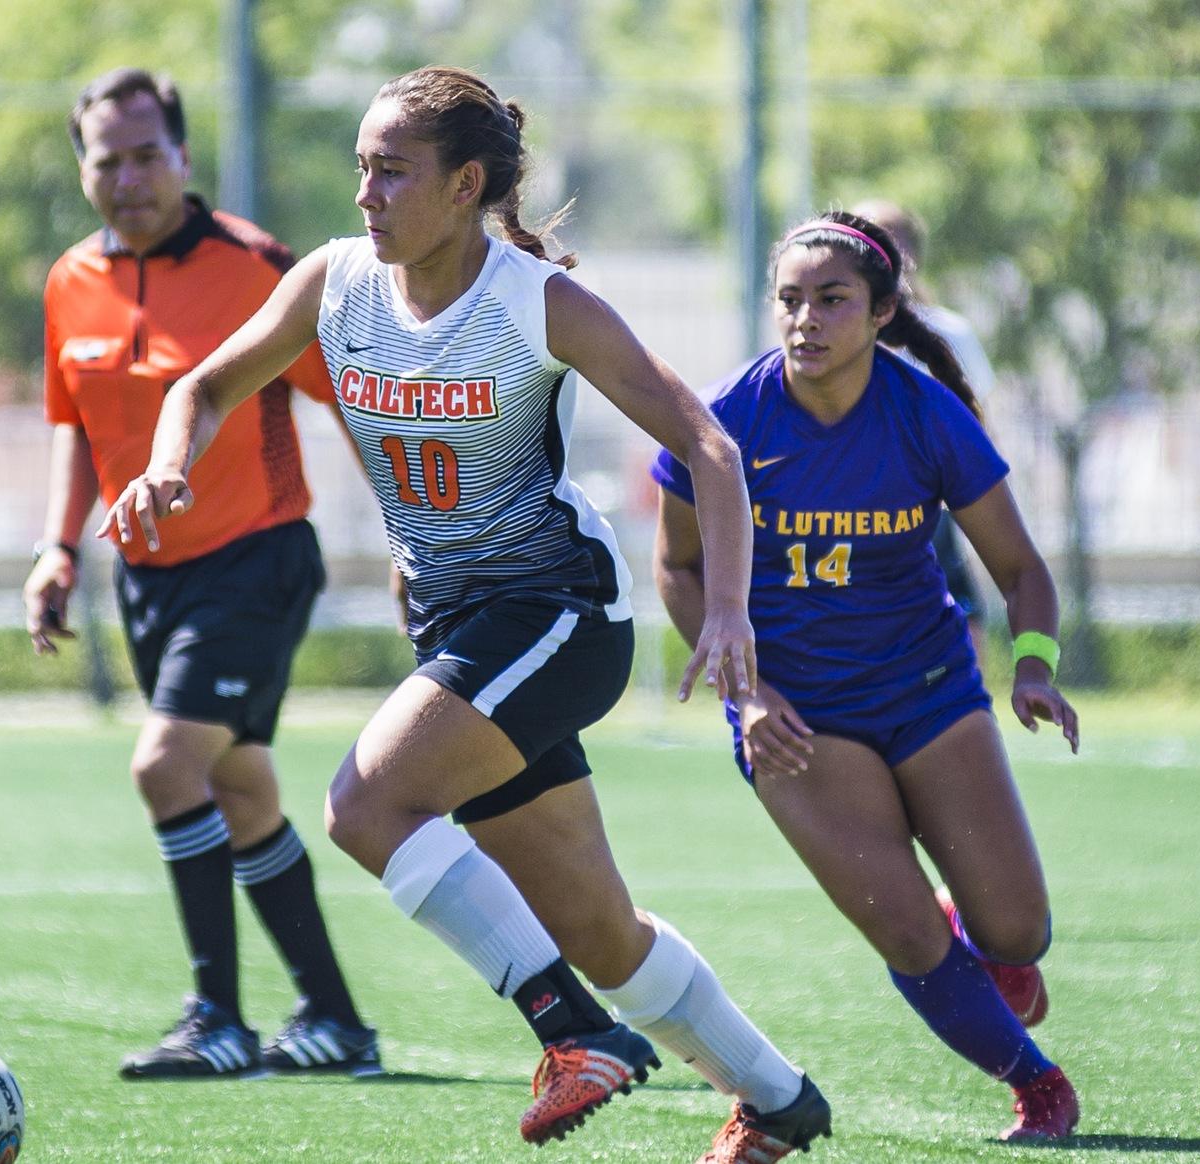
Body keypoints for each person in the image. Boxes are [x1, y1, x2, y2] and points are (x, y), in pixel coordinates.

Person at [100, 64, 832, 1161]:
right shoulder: (333, 281)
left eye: (389, 171)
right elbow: (200, 388)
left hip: (556, 615)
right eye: (359, 168)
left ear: (465, 185)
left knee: (362, 806)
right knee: (600, 931)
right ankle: (777, 1099)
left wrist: (726, 612)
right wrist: (167, 468)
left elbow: (709, 446)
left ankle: (568, 1036)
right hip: (460, 631)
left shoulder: (536, 305)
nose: (363, 194)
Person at [651, 210, 1082, 1143]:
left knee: (1016, 935)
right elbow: (678, 572)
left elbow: (1021, 571)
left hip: (927, 691)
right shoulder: (726, 421)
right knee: (907, 936)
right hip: (795, 716)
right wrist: (747, 691)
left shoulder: (926, 413)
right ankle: (1036, 1083)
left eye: (832, 301)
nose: (805, 321)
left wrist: (1035, 670)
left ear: (883, 312)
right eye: (789, 301)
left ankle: (981, 941)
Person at [23, 67, 377, 1080]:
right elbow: (72, 424)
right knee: (240, 787)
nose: (127, 176)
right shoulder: (67, 282)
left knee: (164, 766)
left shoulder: (258, 265)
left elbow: (347, 399)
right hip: (148, 578)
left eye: (147, 154)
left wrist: (412, 540)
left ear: (183, 157)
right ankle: (336, 1021)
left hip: (255, 559)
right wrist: (56, 545)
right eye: (107, 158)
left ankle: (215, 1019)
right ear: (84, 167)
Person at [852, 199, 997, 656]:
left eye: (893, 237)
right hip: (849, 498)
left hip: (924, 502)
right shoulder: (836, 324)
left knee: (959, 612)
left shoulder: (948, 332)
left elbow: (974, 421)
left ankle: (966, 708)